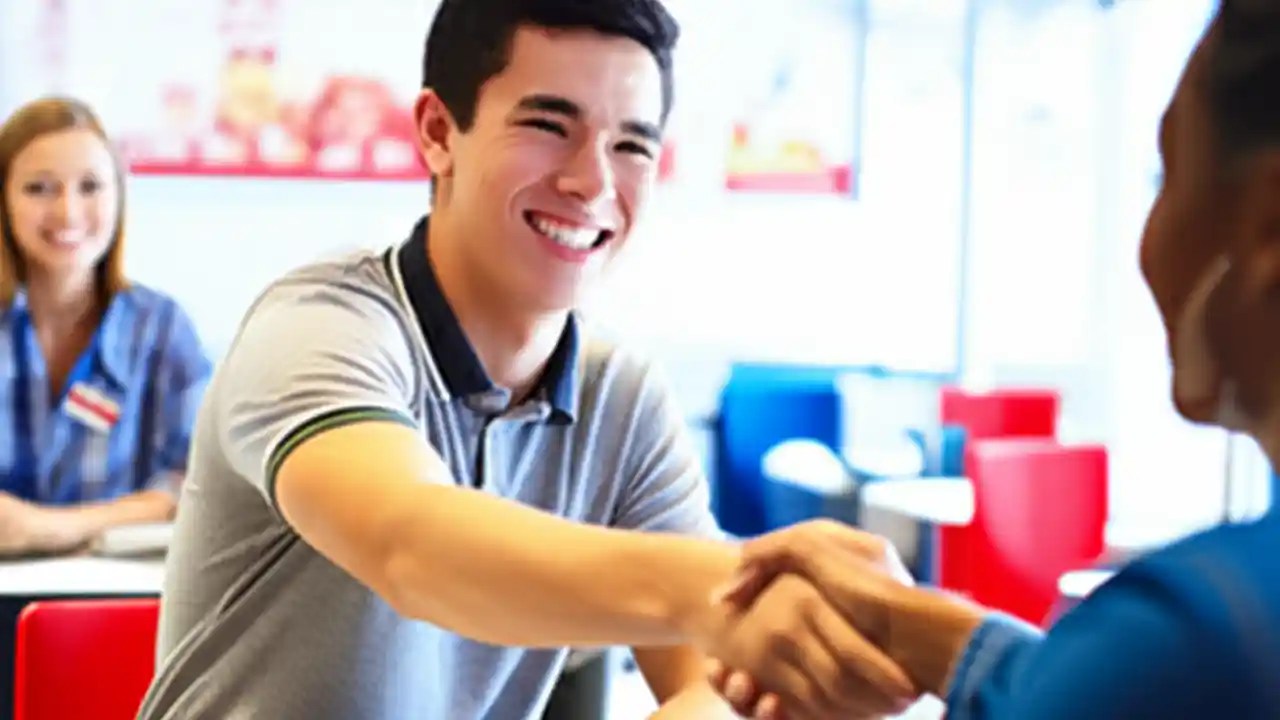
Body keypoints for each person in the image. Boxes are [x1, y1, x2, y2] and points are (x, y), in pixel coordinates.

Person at [138, 2, 917, 718]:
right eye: (549, 125)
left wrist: (762, 659)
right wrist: (721, 587)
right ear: (439, 132)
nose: (592, 181)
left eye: (632, 145)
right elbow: (416, 550)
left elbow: (711, 685)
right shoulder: (320, 326)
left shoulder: (621, 398)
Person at [707, 1, 1280, 718]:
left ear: (1267, 227)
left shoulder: (1192, 636)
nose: (1146, 244)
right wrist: (910, 623)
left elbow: (1137, 680)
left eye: (1163, 178)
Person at [0, 97, 212, 556]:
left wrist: (47, 528)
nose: (67, 213)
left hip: (114, 605)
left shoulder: (162, 330)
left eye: (90, 187)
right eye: (39, 188)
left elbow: (196, 486)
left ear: (118, 196)